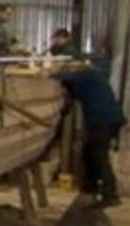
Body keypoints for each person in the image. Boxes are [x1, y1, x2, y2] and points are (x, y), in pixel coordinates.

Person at [53, 63, 125, 208]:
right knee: (88, 152)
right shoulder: (82, 82)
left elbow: (65, 77)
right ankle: (90, 189)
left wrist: (48, 74)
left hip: (105, 120)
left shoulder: (88, 75)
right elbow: (68, 102)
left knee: (98, 156)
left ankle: (110, 195)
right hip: (105, 120)